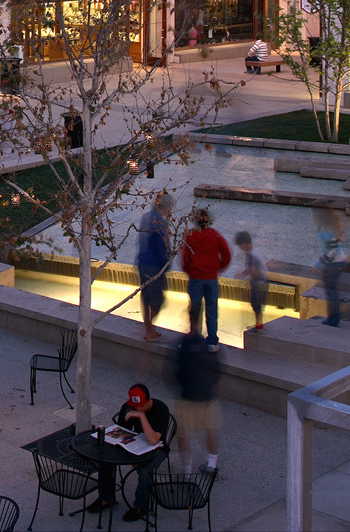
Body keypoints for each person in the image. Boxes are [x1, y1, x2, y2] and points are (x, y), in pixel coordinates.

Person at [86, 383, 172, 523]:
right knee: (105, 461)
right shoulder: (128, 407)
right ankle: (106, 499)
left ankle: (140, 507)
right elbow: (121, 431)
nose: (137, 408)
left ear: (149, 400)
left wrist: (141, 416)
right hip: (134, 445)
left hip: (157, 449)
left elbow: (153, 440)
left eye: (141, 406)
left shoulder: (160, 409)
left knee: (144, 471)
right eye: (135, 406)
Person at [181, 208, 231, 351]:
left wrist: (189, 270)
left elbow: (185, 257)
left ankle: (195, 336)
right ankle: (213, 342)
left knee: (195, 309)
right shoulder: (215, 236)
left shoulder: (190, 236)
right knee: (212, 309)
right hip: (211, 279)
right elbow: (226, 255)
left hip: (196, 278)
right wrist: (218, 268)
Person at [174, 329, 222, 475]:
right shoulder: (209, 344)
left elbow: (177, 370)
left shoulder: (184, 343)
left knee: (182, 431)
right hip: (207, 395)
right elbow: (217, 368)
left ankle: (187, 469)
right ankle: (212, 464)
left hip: (189, 395)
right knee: (210, 428)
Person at [134, 192, 173, 342]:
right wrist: (167, 265)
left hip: (142, 263)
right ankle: (149, 331)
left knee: (146, 299)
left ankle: (149, 330)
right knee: (158, 300)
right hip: (154, 267)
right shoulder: (160, 223)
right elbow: (162, 248)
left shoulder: (146, 217)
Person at [235, 230, 268, 335]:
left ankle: (259, 327)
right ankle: (258, 325)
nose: (240, 248)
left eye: (240, 246)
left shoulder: (251, 255)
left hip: (258, 283)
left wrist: (246, 275)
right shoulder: (255, 252)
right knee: (258, 306)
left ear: (244, 244)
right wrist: (243, 273)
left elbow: (253, 271)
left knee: (256, 305)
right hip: (263, 281)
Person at [316, 207, 344, 327]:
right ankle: (332, 319)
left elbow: (332, 250)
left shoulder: (325, 232)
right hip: (339, 263)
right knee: (332, 293)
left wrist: (318, 264)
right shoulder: (333, 229)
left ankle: (333, 321)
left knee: (331, 294)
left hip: (332, 265)